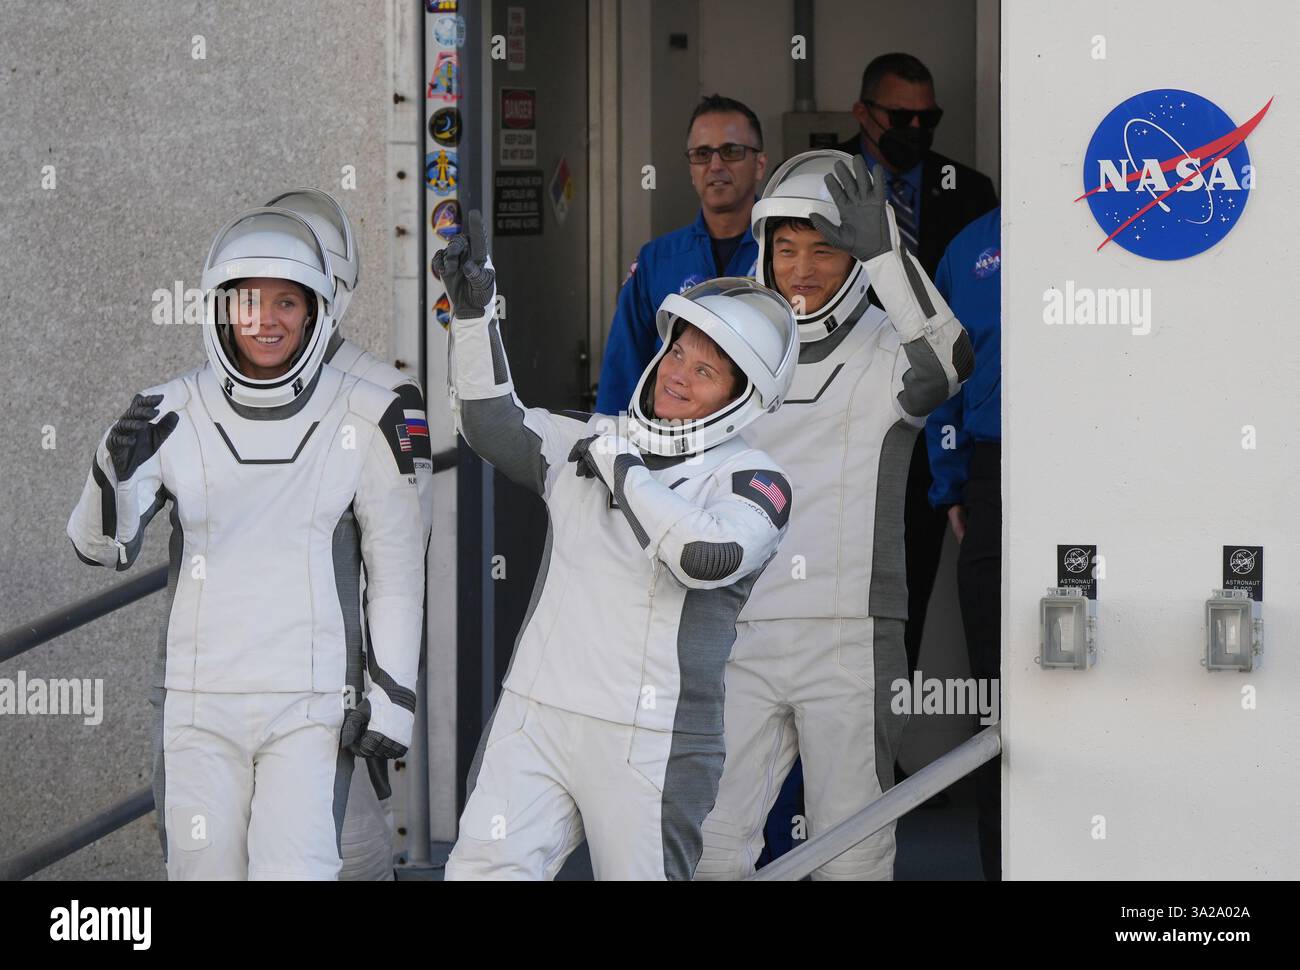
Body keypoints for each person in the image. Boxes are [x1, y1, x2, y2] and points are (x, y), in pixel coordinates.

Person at [67, 205, 425, 880]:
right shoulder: (169, 408)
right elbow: (101, 547)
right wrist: (108, 469)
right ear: (220, 308)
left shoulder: (370, 407)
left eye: (287, 301)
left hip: (311, 704)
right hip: (198, 702)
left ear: (318, 310)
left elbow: (398, 570)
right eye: (248, 301)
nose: (267, 319)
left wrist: (394, 697)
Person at [438, 211, 798, 880]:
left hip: (652, 742)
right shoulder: (597, 435)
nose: (679, 375)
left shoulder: (754, 478)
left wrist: (622, 468)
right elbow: (491, 425)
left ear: (742, 398)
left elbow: (706, 556)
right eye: (678, 353)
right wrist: (472, 318)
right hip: (538, 717)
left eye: (708, 372)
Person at [695, 150, 972, 881]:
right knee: (713, 844)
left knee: (852, 847)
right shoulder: (735, 355)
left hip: (849, 632)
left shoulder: (888, 347)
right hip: (740, 630)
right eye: (786, 249)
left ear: (858, 258)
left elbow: (949, 362)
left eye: (826, 248)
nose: (802, 268)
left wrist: (888, 254)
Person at [838, 52, 998, 790]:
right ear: (863, 113)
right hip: (846, 417)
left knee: (923, 591)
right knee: (848, 599)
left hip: (938, 422)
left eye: (926, 119)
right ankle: (849, 766)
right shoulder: (825, 177)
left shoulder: (969, 193)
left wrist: (952, 468)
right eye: (899, 118)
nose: (914, 130)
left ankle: (912, 764)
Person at [266, 189, 435, 882]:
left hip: (332, 680)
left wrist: (386, 691)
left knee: (353, 852)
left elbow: (399, 564)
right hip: (227, 673)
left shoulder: (385, 396)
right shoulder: (212, 394)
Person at [595, 94, 767, 414]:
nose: (716, 165)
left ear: (759, 164)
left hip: (767, 439)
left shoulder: (786, 257)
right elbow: (622, 372)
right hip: (671, 448)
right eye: (702, 154)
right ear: (691, 168)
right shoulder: (656, 260)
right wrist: (608, 446)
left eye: (731, 151)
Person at [926, 206, 1002, 880]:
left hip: (1105, 476)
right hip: (995, 474)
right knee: (1002, 698)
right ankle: (1005, 865)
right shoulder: (971, 247)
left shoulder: (1123, 227)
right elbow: (942, 371)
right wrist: (952, 484)